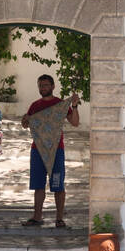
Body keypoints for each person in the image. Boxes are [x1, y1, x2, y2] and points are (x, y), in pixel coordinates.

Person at [20, 74, 79, 228]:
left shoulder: (60, 104)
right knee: (38, 185)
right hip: (37, 150)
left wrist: (74, 105)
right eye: (40, 85)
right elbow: (26, 125)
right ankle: (37, 217)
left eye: (46, 85)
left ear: (53, 86)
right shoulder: (34, 105)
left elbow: (75, 122)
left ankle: (59, 219)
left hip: (56, 150)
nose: (43, 88)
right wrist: (25, 119)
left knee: (58, 184)